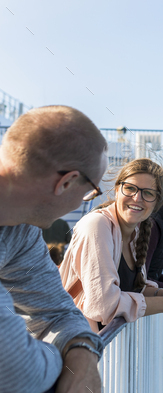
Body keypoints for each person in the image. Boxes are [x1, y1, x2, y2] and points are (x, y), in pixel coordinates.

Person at [0, 105, 106, 393]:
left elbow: (59, 312)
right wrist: (68, 368)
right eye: (89, 192)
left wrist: (83, 353)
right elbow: (16, 370)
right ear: (68, 182)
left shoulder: (20, 229)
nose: (82, 203)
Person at [59, 159, 163, 333]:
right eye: (130, 188)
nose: (137, 198)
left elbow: (129, 287)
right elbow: (102, 305)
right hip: (66, 346)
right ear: (117, 190)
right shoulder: (97, 225)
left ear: (156, 202)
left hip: (92, 346)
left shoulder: (136, 233)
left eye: (148, 193)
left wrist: (161, 293)